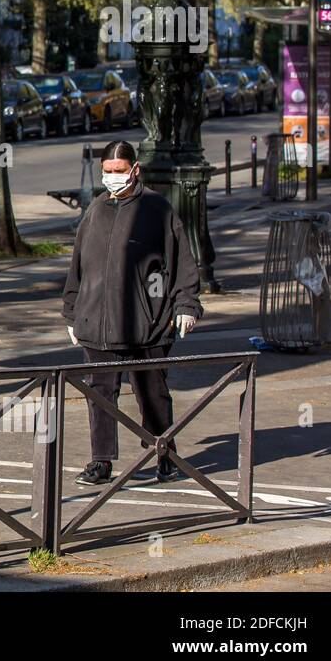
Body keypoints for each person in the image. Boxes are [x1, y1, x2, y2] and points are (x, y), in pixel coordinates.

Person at [61, 139, 203, 486]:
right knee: (100, 394)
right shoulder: (95, 210)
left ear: (134, 169)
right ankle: (101, 461)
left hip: (146, 323)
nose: (112, 178)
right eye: (107, 172)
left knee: (152, 391)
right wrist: (72, 312)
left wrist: (186, 304)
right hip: (96, 321)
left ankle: (163, 452)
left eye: (119, 171)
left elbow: (181, 261)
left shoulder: (157, 209)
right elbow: (77, 266)